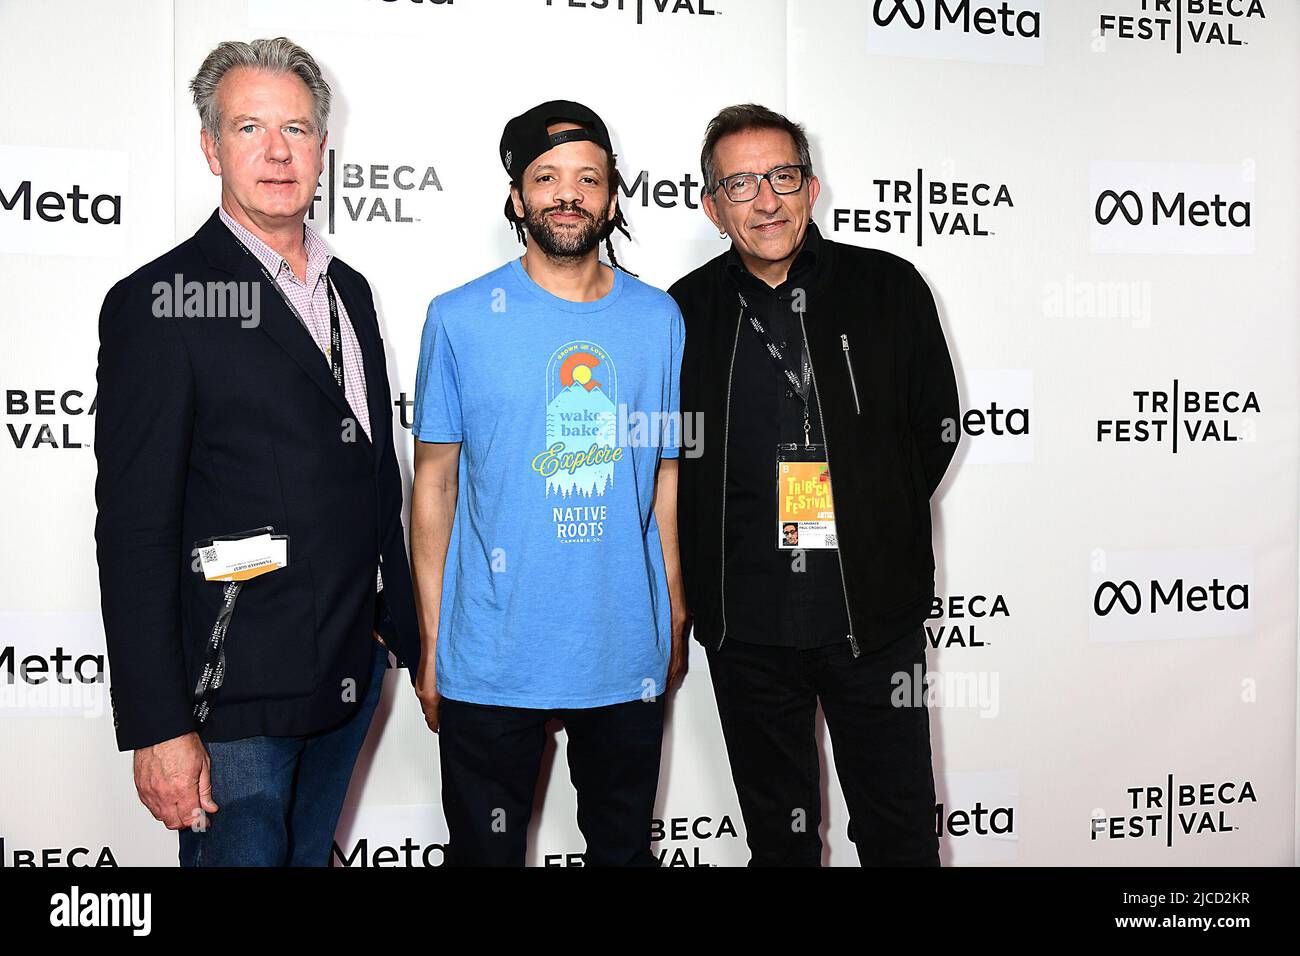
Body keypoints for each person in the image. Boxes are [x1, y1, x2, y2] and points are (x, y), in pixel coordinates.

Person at [93, 37, 420, 866]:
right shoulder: (159, 302)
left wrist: (402, 639)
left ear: (322, 146)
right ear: (210, 146)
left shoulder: (349, 289)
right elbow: (133, 532)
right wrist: (161, 725)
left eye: (298, 129)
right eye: (249, 127)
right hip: (229, 702)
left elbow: (374, 475)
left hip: (349, 670)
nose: (278, 151)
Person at [668, 103, 960, 866]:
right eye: (741, 183)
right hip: (748, 632)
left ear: (812, 185)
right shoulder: (683, 311)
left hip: (873, 622)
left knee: (899, 836)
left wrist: (874, 517)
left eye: (782, 176)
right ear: (712, 206)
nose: (766, 200)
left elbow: (935, 430)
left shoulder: (888, 288)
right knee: (781, 845)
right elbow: (672, 464)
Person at [410, 100, 686, 867]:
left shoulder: (658, 319)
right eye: (547, 177)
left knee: (622, 853)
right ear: (516, 196)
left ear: (611, 197)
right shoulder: (459, 317)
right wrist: (433, 641)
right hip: (491, 652)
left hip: (621, 639)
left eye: (588, 179)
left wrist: (674, 606)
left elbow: (663, 473)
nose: (568, 195)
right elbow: (433, 484)